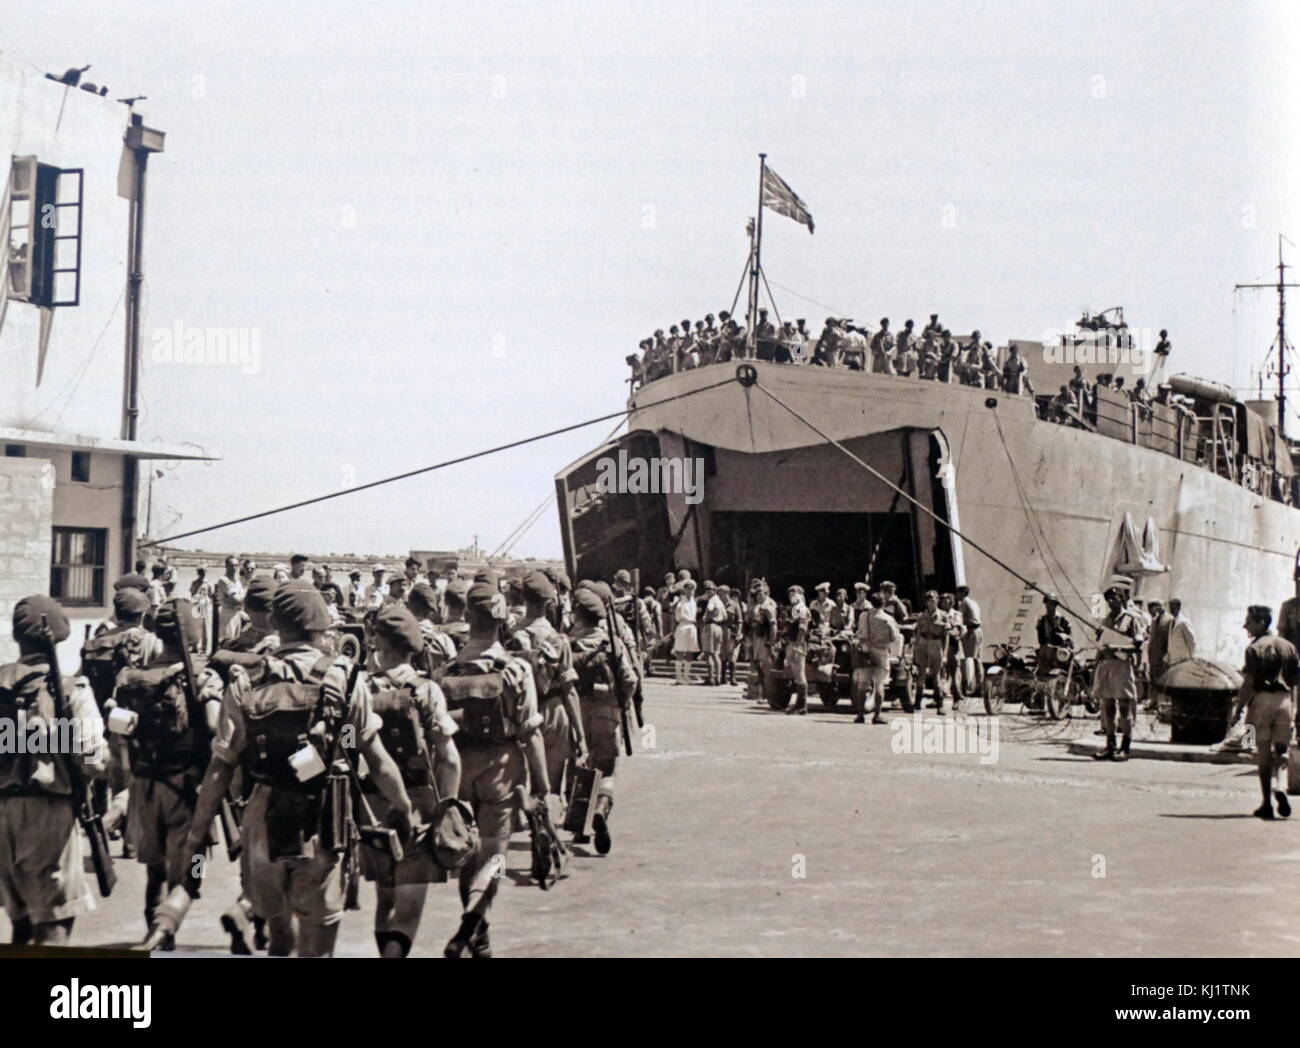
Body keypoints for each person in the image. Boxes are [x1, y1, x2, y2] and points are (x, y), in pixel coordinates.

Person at [183, 582, 416, 958]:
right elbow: (374, 757)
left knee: (279, 936)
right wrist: (403, 808)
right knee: (317, 948)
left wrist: (195, 839)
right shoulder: (345, 677)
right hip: (324, 820)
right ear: (322, 626)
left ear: (276, 623)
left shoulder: (247, 680)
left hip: (263, 821)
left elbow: (220, 766)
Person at [432, 582, 550, 957]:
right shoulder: (516, 669)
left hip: (457, 769)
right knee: (495, 858)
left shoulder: (446, 670)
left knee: (466, 855)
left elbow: (434, 732)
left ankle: (477, 931)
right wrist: (543, 786)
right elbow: (531, 732)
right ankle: (473, 923)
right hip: (502, 769)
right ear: (502, 622)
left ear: (466, 617)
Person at [110, 598, 223, 948]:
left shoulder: (131, 678)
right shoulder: (203, 676)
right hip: (185, 785)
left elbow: (119, 732)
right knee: (194, 863)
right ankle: (172, 920)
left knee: (154, 870)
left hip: (144, 783)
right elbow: (214, 725)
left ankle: (156, 929)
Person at [0, 596, 109, 946]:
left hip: (3, 810)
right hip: (49, 813)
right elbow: (93, 759)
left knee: (19, 921)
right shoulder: (70, 689)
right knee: (53, 926)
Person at [360, 603, 462, 957]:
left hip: (371, 806)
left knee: (384, 899)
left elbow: (344, 747)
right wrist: (448, 805)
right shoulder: (426, 691)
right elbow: (448, 757)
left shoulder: (360, 689)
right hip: (417, 804)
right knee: (408, 912)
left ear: (380, 644)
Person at [507, 571, 588, 806]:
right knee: (551, 787)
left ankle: (532, 821)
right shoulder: (559, 639)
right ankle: (547, 826)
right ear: (548, 602)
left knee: (526, 780)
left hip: (521, 714)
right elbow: (569, 690)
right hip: (553, 711)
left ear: (524, 599)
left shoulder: (511, 637)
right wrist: (580, 734)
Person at [1227, 605, 1298, 819]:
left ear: (1260, 622)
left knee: (1260, 752)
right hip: (1285, 702)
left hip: (1260, 703)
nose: (1245, 625)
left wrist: (1238, 709)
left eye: (1248, 621)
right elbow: (1296, 681)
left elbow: (1248, 684)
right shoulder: (1288, 646)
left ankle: (1266, 802)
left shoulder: (1254, 648)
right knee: (1282, 750)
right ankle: (1281, 786)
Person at [1091, 575, 1146, 761]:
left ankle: (1125, 748)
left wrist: (1118, 647)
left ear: (1122, 599)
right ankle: (1110, 745)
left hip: (1122, 666)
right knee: (1108, 708)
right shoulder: (1106, 620)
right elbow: (1100, 646)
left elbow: (1138, 646)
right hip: (1106, 666)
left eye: (1115, 598)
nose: (1112, 602)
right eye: (1109, 599)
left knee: (1124, 708)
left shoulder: (1131, 620)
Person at [855, 594, 902, 724]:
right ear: (883, 603)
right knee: (879, 684)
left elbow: (859, 631)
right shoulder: (887, 619)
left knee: (862, 685)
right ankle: (877, 715)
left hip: (865, 651)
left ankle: (860, 715)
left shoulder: (863, 616)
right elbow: (894, 636)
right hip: (881, 652)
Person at [912, 591, 950, 714]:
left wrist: (944, 653)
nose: (931, 602)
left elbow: (946, 636)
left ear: (937, 600)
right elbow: (917, 633)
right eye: (929, 600)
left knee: (937, 675)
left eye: (933, 600)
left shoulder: (943, 616)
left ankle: (940, 704)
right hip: (923, 644)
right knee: (921, 674)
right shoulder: (921, 616)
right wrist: (915, 650)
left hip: (936, 643)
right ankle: (917, 704)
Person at [745, 579, 778, 703]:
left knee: (767, 668)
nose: (758, 597)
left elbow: (773, 625)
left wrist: (771, 641)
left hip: (765, 639)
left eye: (761, 595)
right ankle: (762, 694)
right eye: (757, 595)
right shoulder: (757, 606)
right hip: (757, 638)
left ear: (766, 594)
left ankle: (769, 695)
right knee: (759, 667)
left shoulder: (769, 607)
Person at [783, 585, 812, 715]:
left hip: (798, 645)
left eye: (794, 595)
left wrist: (797, 647)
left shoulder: (802, 610)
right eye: (790, 595)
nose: (792, 597)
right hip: (792, 643)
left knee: (800, 675)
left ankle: (802, 705)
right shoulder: (795, 610)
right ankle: (799, 704)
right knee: (796, 675)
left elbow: (802, 630)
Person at [697, 580, 727, 686]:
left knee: (708, 653)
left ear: (714, 591)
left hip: (710, 626)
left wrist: (707, 617)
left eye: (710, 590)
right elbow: (725, 616)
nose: (708, 592)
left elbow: (709, 609)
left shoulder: (712, 601)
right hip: (719, 627)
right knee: (716, 654)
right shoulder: (720, 602)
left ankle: (711, 678)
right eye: (707, 590)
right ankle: (717, 678)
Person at [672, 579, 699, 684]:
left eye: (692, 589)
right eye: (688, 589)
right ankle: (678, 677)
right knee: (679, 650)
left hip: (692, 626)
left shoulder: (694, 601)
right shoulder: (680, 601)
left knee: (690, 651)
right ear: (684, 590)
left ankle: (686, 676)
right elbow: (674, 611)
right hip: (683, 625)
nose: (690, 591)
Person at [955, 584, 983, 691]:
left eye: (958, 593)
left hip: (971, 631)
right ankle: (980, 685)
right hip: (979, 630)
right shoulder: (973, 602)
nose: (956, 595)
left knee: (969, 659)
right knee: (977, 659)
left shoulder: (964, 603)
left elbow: (958, 617)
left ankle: (970, 685)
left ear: (962, 593)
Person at [718, 584, 742, 686]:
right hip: (721, 631)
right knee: (723, 654)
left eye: (721, 593)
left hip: (732, 631)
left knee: (732, 655)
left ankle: (732, 678)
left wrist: (739, 632)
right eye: (719, 594)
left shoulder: (735, 604)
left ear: (727, 593)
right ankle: (723, 677)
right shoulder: (718, 604)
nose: (720, 596)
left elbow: (740, 620)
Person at [1145, 599, 1173, 685]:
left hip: (1163, 655)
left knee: (1162, 679)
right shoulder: (1154, 620)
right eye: (1156, 606)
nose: (1157, 608)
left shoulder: (1170, 619)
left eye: (1159, 605)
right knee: (1153, 679)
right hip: (1153, 655)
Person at [190, 567, 214, 652]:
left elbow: (212, 596)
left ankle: (205, 647)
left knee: (206, 627)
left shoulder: (208, 583)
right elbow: (192, 594)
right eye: (200, 571)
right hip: (196, 605)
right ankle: (195, 646)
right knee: (195, 626)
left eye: (203, 571)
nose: (202, 573)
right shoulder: (194, 583)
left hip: (206, 606)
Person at [1165, 598, 1195, 664]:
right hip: (1173, 659)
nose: (1171, 610)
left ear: (1178, 608)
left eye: (1173, 608)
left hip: (1182, 659)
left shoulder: (1183, 622)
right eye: (1170, 608)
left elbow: (1192, 641)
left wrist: (1190, 657)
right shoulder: (1172, 622)